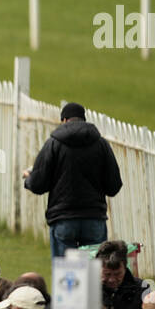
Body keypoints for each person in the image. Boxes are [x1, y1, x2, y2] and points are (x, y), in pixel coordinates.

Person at [23, 102, 122, 257]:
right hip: (94, 218)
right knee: (94, 274)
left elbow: (38, 184)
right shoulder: (101, 144)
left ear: (63, 120)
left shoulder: (53, 144)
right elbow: (114, 186)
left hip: (63, 218)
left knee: (66, 277)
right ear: (84, 119)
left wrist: (29, 179)